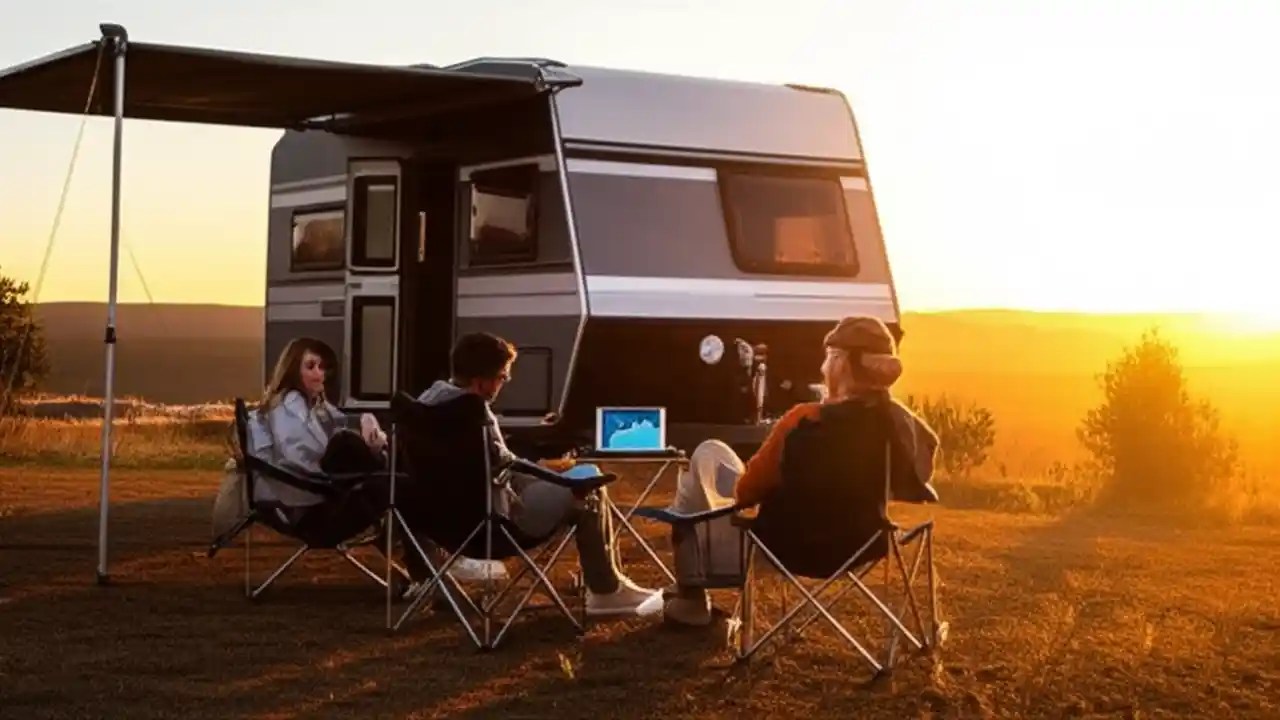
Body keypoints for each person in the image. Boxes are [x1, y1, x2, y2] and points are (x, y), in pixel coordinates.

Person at [662, 315, 940, 626]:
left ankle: (690, 601)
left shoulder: (805, 419)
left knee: (706, 455)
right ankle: (687, 597)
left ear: (839, 363)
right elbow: (915, 478)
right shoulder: (894, 424)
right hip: (861, 545)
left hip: (784, 548)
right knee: (711, 456)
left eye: (828, 357)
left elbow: (746, 492)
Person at [416, 332, 664, 618]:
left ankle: (609, 585)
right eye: (502, 377)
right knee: (590, 480)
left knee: (567, 478)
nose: (503, 384)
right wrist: (544, 471)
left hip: (446, 525)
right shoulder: (472, 413)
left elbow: (492, 464)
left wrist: (539, 468)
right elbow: (504, 467)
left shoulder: (425, 406)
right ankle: (606, 591)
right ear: (480, 381)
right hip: (498, 522)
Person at [245, 337, 392, 543]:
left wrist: (367, 422)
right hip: (309, 512)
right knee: (392, 485)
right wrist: (339, 479)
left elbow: (344, 421)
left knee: (393, 483)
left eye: (322, 367)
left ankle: (419, 558)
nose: (319, 374)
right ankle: (425, 558)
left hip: (316, 500)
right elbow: (298, 460)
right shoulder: (289, 407)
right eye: (310, 366)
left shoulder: (314, 406)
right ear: (293, 370)